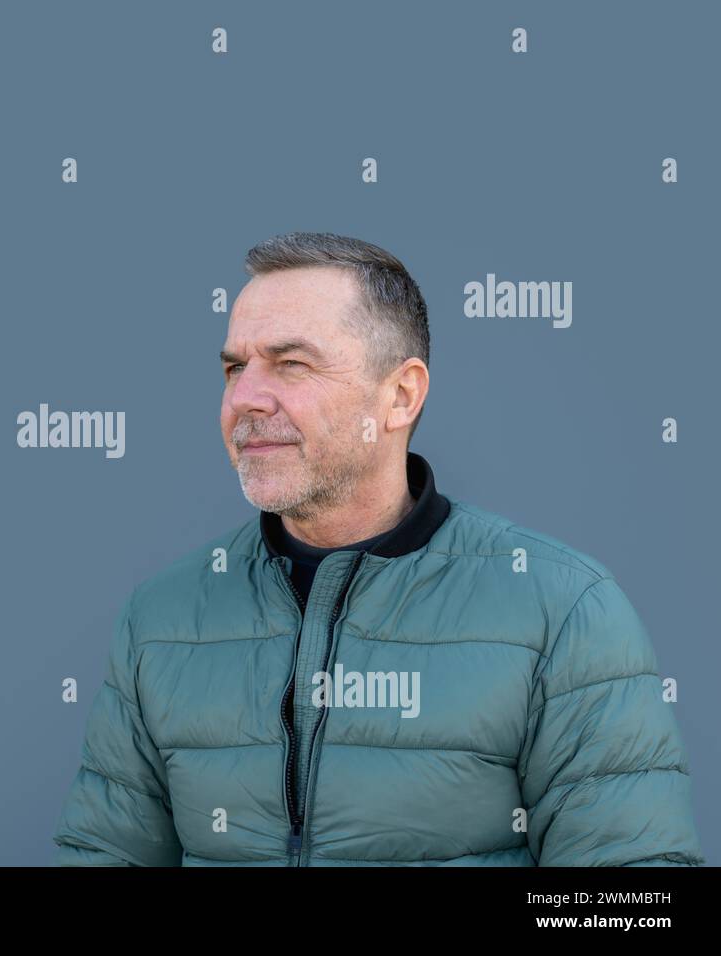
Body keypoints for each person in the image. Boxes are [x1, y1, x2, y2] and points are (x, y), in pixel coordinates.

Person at [51, 231, 705, 866]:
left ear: (400, 396)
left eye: (292, 364)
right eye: (234, 368)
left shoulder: (562, 609)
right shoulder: (161, 619)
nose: (244, 398)